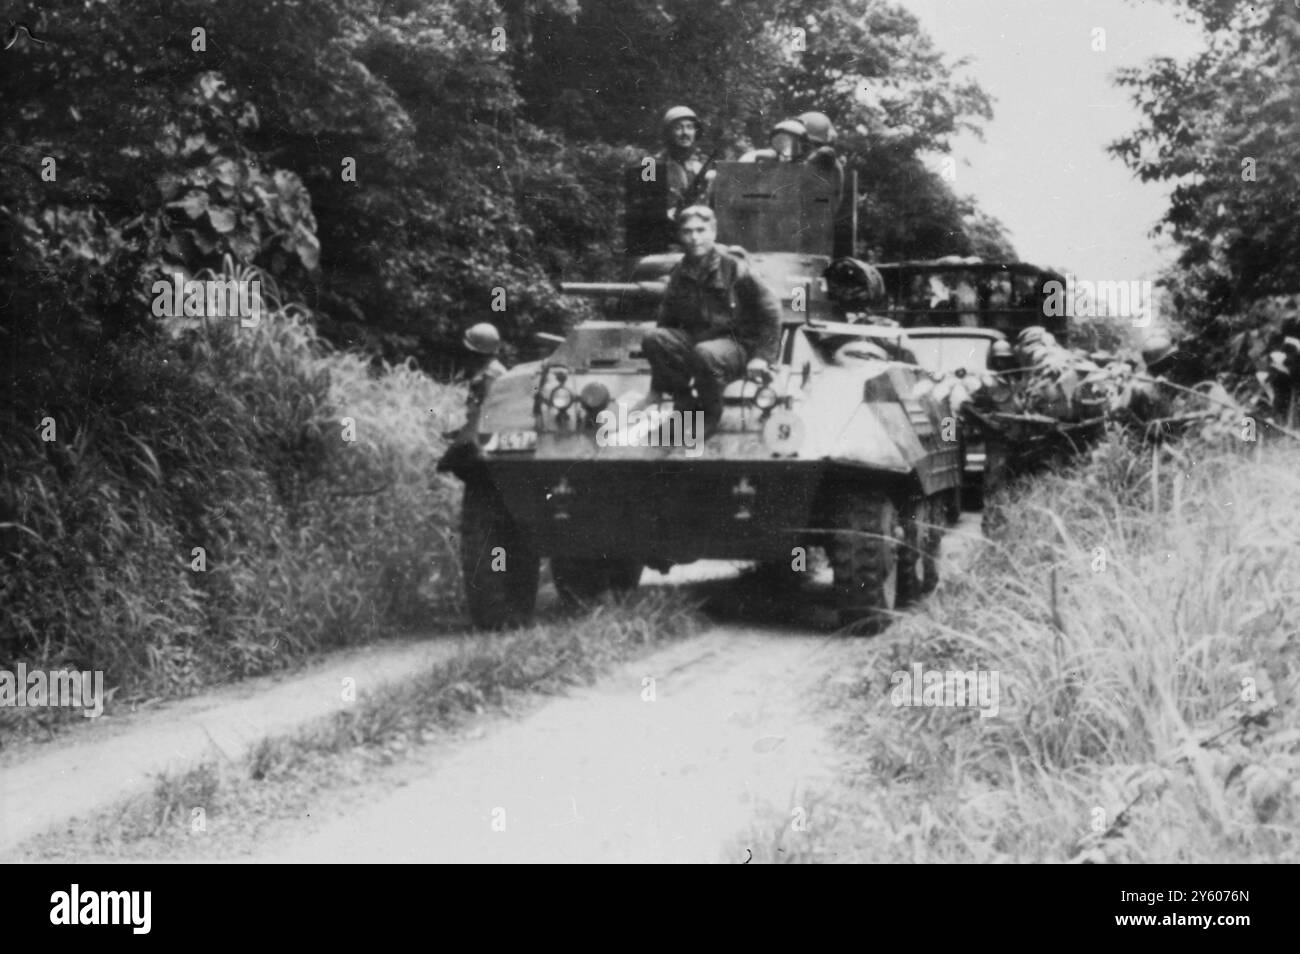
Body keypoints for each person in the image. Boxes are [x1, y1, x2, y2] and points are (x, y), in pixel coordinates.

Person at [640, 205, 783, 432]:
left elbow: (771, 310)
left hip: (736, 345)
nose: (694, 238)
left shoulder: (735, 267)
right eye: (687, 231)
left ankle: (709, 413)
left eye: (701, 230)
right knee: (654, 338)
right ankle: (684, 403)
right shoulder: (680, 272)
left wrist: (763, 357)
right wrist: (656, 387)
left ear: (713, 232)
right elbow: (666, 321)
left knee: (706, 353)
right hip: (698, 341)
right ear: (680, 235)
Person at [656, 105, 714, 218]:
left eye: (689, 127)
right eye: (678, 128)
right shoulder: (650, 164)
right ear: (668, 133)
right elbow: (643, 202)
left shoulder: (705, 164)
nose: (685, 133)